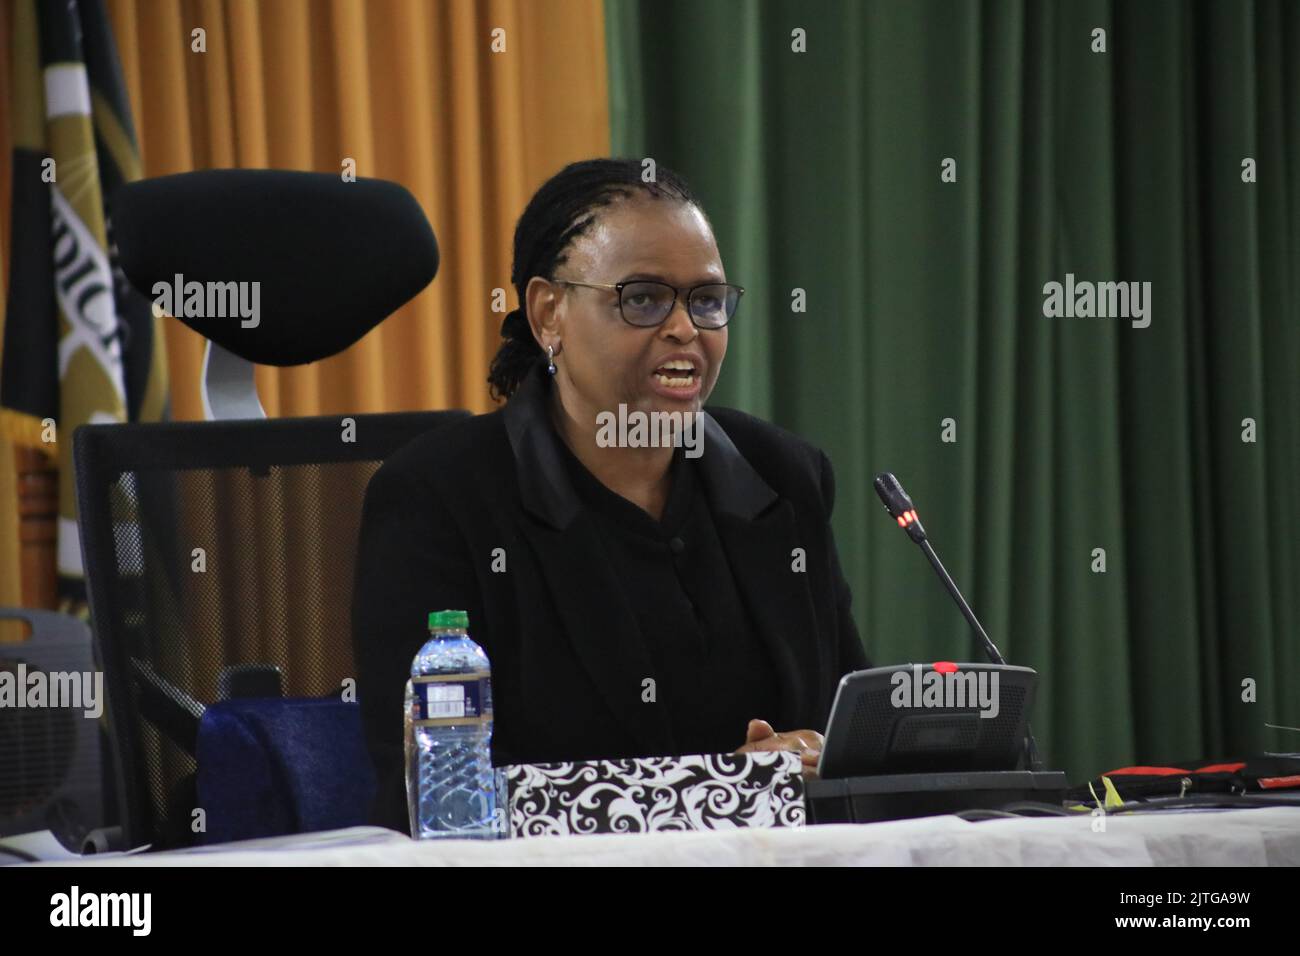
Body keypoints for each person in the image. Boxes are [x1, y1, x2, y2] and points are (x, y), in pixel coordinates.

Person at [351, 158, 870, 832]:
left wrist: (817, 755)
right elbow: (436, 797)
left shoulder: (782, 476)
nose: (686, 329)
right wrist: (721, 793)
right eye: (643, 298)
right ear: (548, 315)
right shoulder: (439, 497)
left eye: (707, 301)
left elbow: (852, 729)